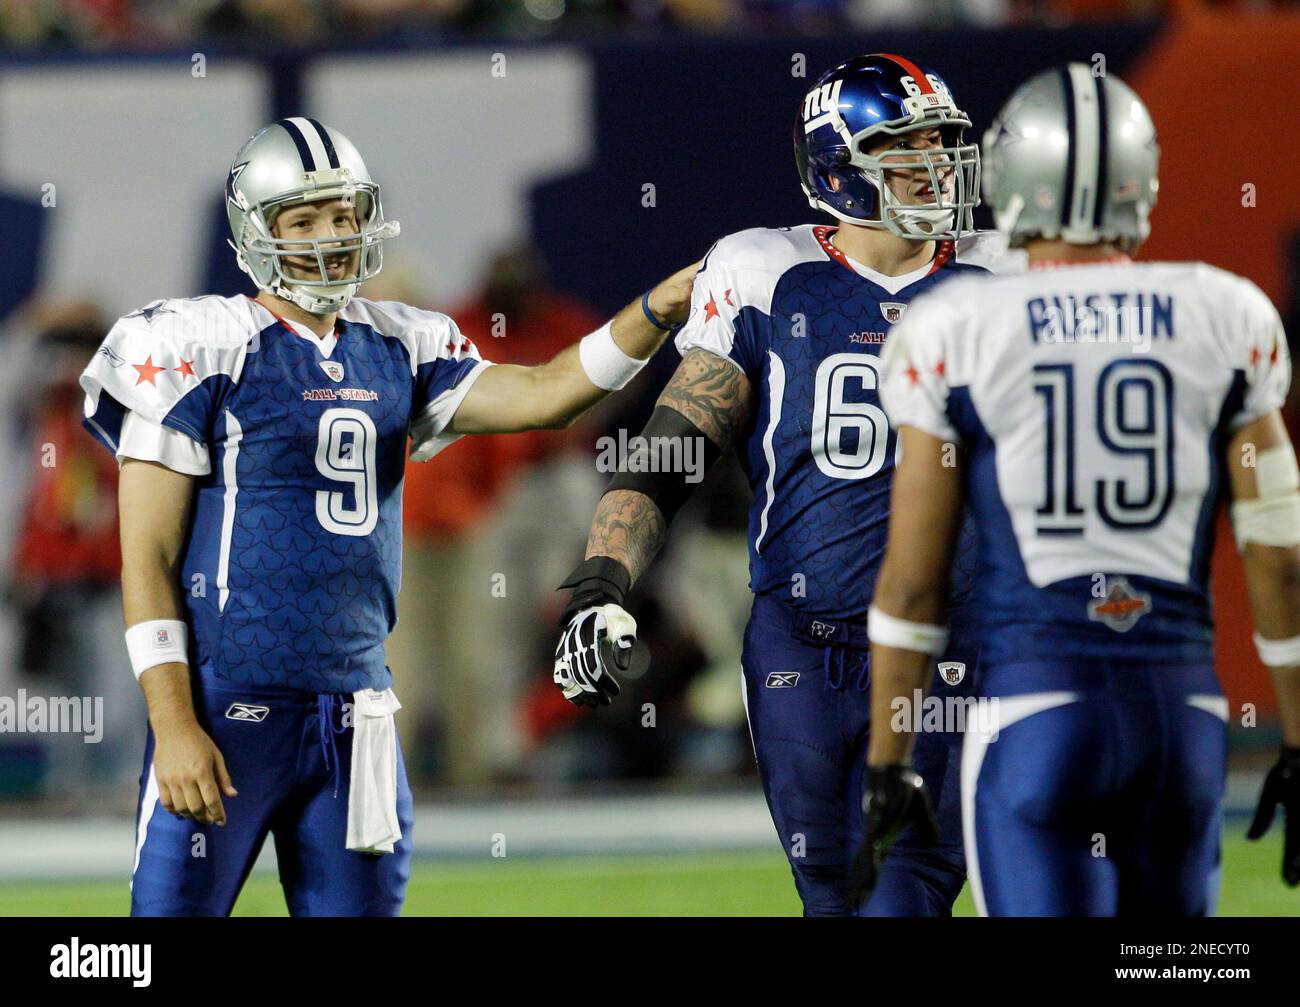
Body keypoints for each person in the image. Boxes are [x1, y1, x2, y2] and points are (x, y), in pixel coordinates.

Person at [78, 117, 696, 916]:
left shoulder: (400, 343)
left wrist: (658, 307)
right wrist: (173, 723)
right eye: (301, 220)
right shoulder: (197, 343)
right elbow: (148, 562)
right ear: (255, 230)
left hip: (357, 715)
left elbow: (549, 391)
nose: (330, 236)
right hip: (227, 710)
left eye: (341, 214)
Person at [551, 54, 1021, 916]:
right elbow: (672, 449)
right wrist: (602, 582)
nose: (936, 168)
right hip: (800, 646)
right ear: (838, 166)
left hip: (953, 645)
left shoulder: (1008, 273)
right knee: (830, 892)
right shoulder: (763, 269)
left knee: (911, 886)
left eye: (941, 145)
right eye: (906, 148)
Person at [855, 65, 1300, 915]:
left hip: (1036, 707)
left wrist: (888, 758)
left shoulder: (958, 325)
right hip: (1182, 713)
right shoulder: (1224, 311)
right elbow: (1282, 564)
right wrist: (1298, 738)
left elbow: (913, 583)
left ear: (1014, 176)